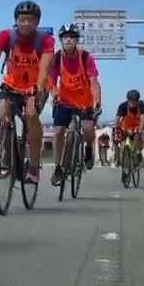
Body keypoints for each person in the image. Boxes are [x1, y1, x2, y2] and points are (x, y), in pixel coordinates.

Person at [0, 1, 54, 183]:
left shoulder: (45, 40)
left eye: (31, 20)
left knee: (32, 115)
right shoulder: (5, 36)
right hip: (11, 85)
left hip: (36, 87)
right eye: (22, 19)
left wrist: (39, 88)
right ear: (16, 21)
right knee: (1, 115)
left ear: (37, 22)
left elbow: (45, 67)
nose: (26, 23)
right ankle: (7, 155)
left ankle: (34, 164)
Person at [47, 24, 101, 187]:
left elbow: (93, 82)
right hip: (64, 100)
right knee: (58, 132)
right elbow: (50, 80)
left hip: (85, 100)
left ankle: (89, 149)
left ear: (76, 40)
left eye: (72, 37)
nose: (68, 39)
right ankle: (57, 167)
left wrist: (96, 100)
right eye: (65, 37)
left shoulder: (85, 57)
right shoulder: (56, 58)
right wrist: (54, 92)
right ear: (61, 40)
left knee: (87, 129)